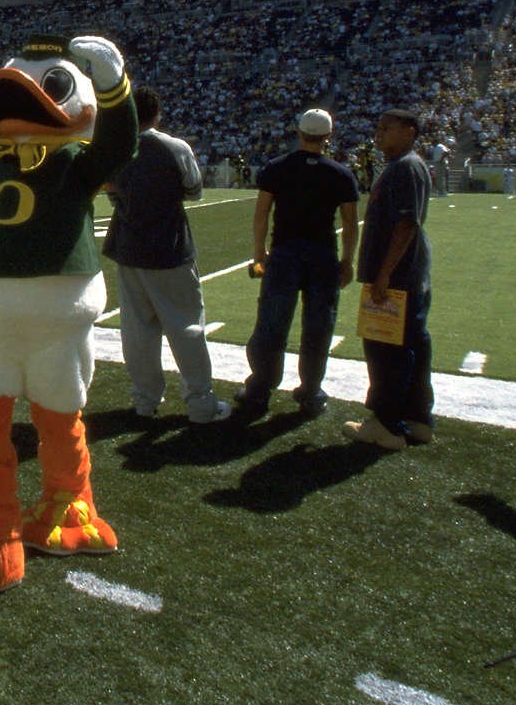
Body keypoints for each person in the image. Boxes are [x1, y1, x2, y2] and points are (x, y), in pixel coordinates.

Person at [100, 87, 231, 423]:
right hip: (170, 247)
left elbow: (110, 190)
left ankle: (144, 401)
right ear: (156, 113)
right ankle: (200, 402)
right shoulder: (174, 147)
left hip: (129, 247)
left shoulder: (115, 148)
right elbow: (195, 190)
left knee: (137, 330)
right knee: (186, 325)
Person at [234, 107, 359, 422]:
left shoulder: (277, 168)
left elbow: (262, 214)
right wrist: (348, 260)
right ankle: (311, 392)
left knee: (272, 325)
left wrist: (259, 252)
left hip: (285, 254)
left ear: (299, 133)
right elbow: (350, 223)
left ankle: (260, 389)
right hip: (323, 256)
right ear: (328, 136)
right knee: (318, 329)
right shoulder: (340, 174)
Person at [345, 108, 434, 450]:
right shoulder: (402, 166)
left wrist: (383, 274)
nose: (378, 134)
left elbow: (407, 223)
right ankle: (417, 419)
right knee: (411, 347)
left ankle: (386, 424)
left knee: (386, 350)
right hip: (404, 277)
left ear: (410, 131)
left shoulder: (406, 167)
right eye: (378, 127)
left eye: (387, 128)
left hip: (396, 280)